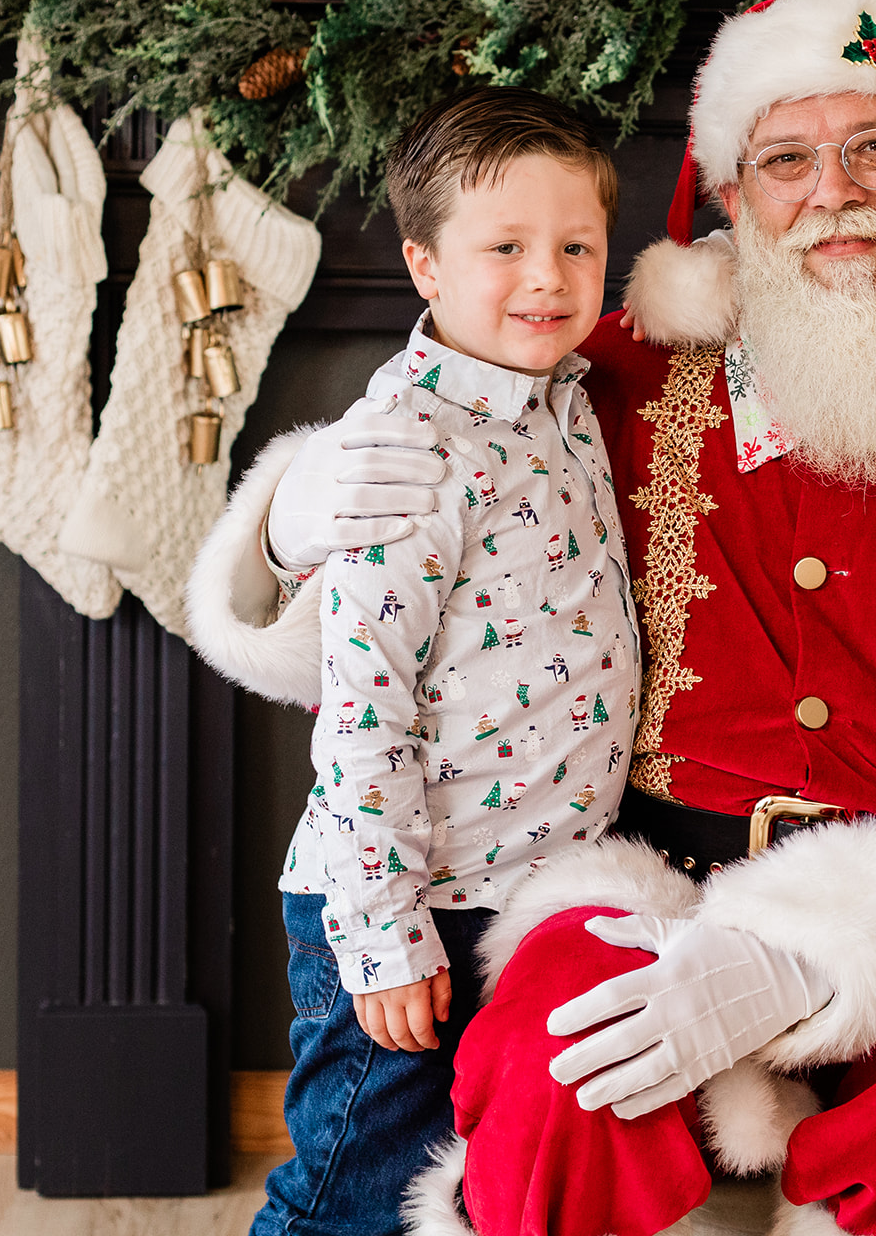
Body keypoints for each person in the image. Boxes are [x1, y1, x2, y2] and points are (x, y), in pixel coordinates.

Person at [188, 0, 876, 1236]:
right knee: (552, 1068)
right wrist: (290, 522)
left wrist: (812, 943)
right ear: (733, 194)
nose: (832, 191)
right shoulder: (607, 376)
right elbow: (426, 533)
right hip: (648, 877)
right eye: (786, 160)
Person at [217, 87, 643, 1236]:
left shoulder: (564, 402)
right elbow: (364, 713)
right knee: (346, 1201)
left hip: (518, 894)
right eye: (505, 248)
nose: (547, 277)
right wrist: (383, 933)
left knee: (446, 1199)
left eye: (576, 246)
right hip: (411, 902)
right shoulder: (407, 454)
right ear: (425, 264)